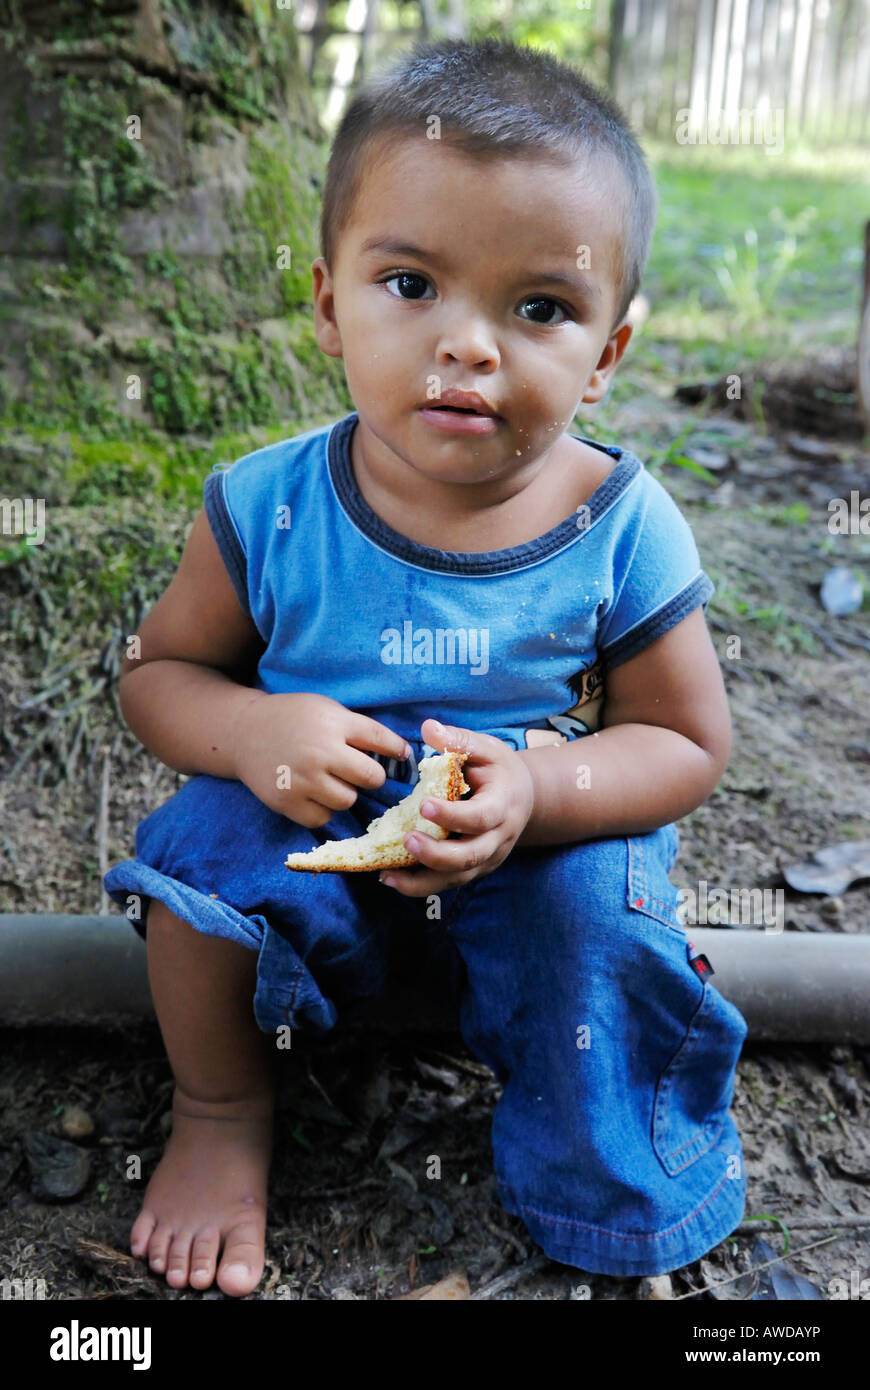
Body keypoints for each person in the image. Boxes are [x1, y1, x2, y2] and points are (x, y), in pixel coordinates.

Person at [105, 36, 747, 1297]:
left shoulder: (621, 523)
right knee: (191, 859)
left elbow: (683, 743)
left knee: (602, 911)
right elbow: (159, 674)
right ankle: (224, 1109)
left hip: (533, 837)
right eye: (412, 284)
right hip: (316, 821)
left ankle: (603, 1187)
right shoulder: (269, 506)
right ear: (330, 302)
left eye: (541, 308)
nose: (470, 346)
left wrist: (537, 791)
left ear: (609, 351)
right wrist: (248, 733)